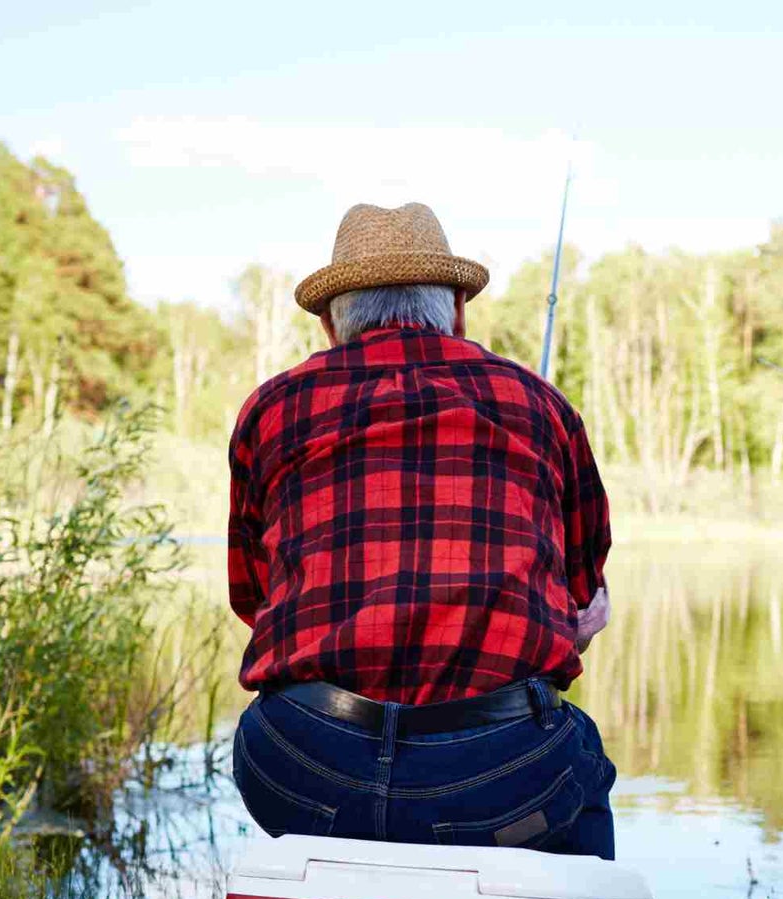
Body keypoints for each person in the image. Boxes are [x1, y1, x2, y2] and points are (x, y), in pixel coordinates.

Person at [225, 202, 618, 858]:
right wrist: (569, 626)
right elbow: (583, 590)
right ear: (458, 310)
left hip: (304, 773)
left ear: (330, 323)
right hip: (502, 783)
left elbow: (253, 596)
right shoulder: (539, 404)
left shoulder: (272, 409)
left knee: (286, 749)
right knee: (577, 769)